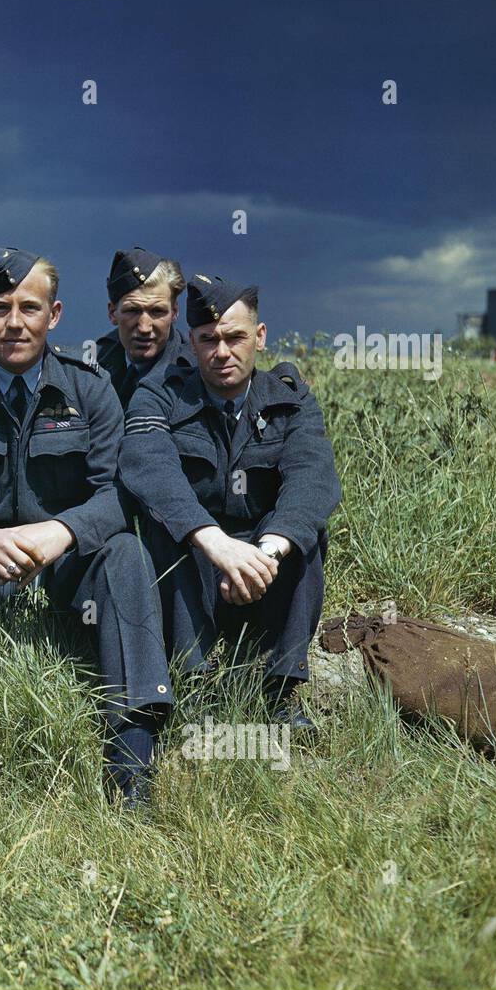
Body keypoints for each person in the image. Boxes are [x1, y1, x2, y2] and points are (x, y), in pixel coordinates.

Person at [0, 247, 172, 811]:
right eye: (0, 308)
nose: (15, 323)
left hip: (64, 571)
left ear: (54, 315)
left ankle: (132, 757)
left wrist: (63, 532)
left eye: (29, 308)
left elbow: (117, 493)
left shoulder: (90, 391)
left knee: (126, 552)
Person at [119, 274, 341, 733]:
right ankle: (194, 685)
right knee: (164, 526)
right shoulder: (160, 394)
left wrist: (265, 555)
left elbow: (312, 478)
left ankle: (279, 689)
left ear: (259, 337)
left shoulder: (288, 396)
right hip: (194, 569)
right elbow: (149, 468)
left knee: (308, 533)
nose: (222, 352)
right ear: (193, 342)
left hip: (263, 569)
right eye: (208, 340)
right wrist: (215, 544)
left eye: (235, 337)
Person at [93, 247, 194, 408]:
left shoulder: (195, 375)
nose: (144, 328)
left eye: (157, 311)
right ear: (113, 313)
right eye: (133, 310)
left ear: (174, 312)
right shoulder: (92, 363)